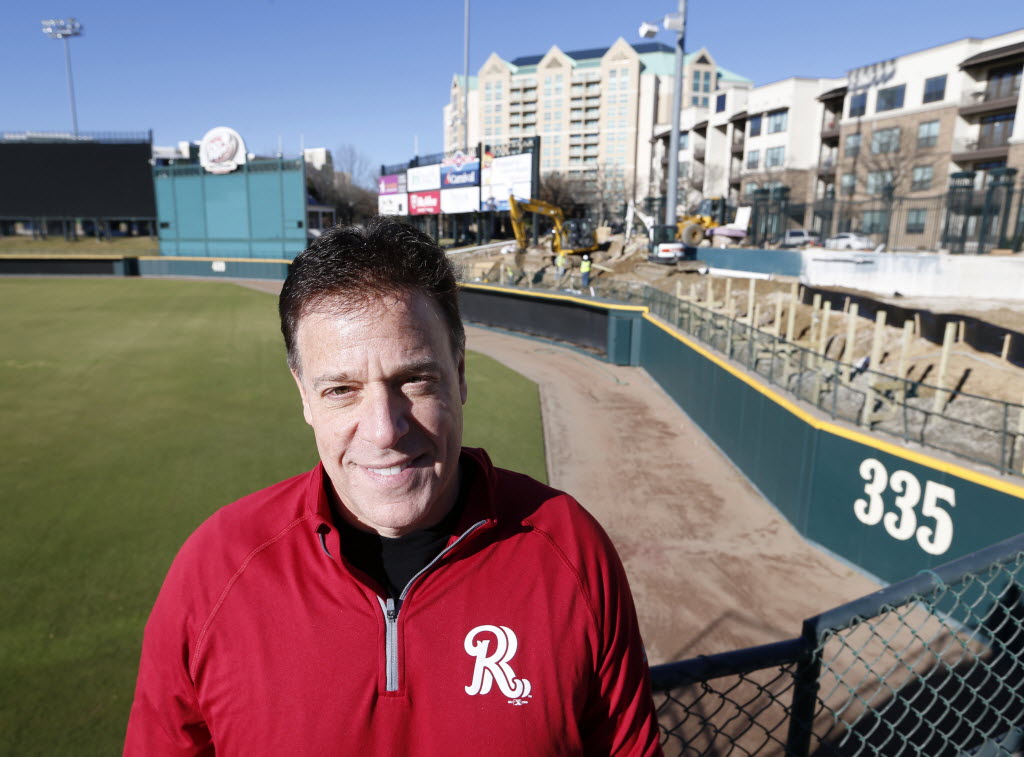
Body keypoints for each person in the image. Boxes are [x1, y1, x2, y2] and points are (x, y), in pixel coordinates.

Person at [124, 216, 662, 756]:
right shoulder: (214, 568)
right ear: (304, 397)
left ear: (460, 373)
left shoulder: (569, 547)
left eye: (415, 380)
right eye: (341, 389)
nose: (385, 429)